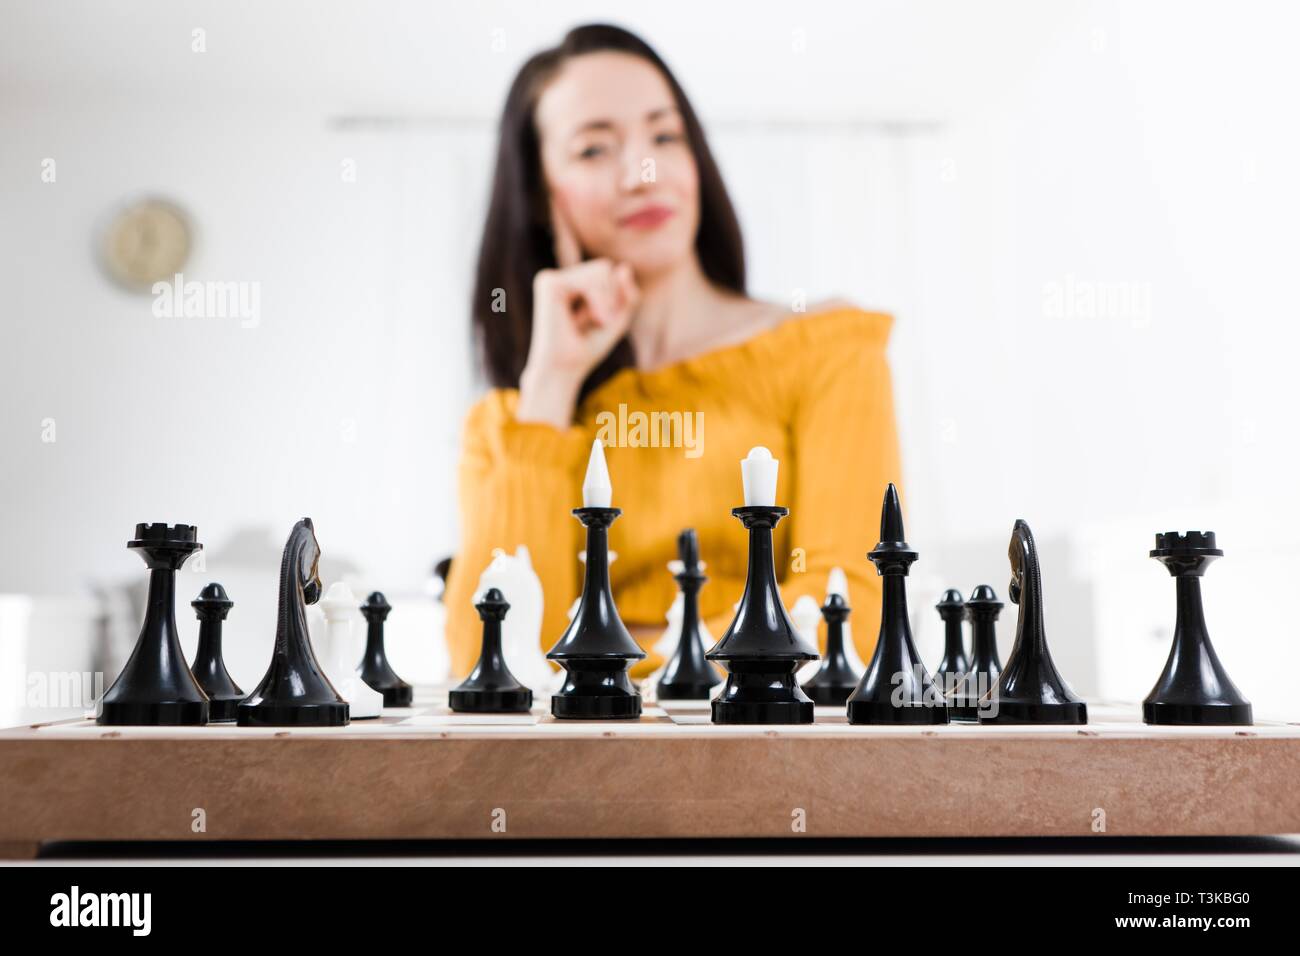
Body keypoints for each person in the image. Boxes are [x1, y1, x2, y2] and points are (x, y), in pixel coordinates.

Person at [443, 23, 902, 678]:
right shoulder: (509, 429)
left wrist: (607, 656)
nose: (642, 173)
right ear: (544, 200)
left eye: (665, 136)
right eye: (595, 149)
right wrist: (551, 382)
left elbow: (852, 609)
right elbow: (487, 668)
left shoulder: (828, 348)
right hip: (573, 779)